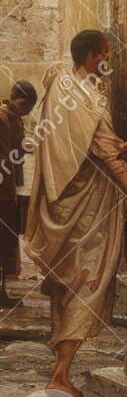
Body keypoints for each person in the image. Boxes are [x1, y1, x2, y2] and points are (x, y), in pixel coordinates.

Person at [25, 30, 127, 397]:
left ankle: (59, 368)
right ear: (92, 56)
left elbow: (78, 146)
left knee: (64, 285)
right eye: (104, 55)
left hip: (58, 205)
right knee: (86, 288)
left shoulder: (59, 83)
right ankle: (60, 374)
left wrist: (117, 147)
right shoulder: (90, 103)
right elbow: (111, 164)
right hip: (87, 214)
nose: (107, 63)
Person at [0, 80, 37, 307]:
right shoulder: (3, 118)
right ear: (18, 100)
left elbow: (14, 150)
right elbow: (4, 156)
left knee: (5, 241)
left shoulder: (14, 120)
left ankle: (2, 290)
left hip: (7, 188)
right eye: (25, 106)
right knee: (2, 240)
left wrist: (25, 147)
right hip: (2, 190)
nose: (25, 111)